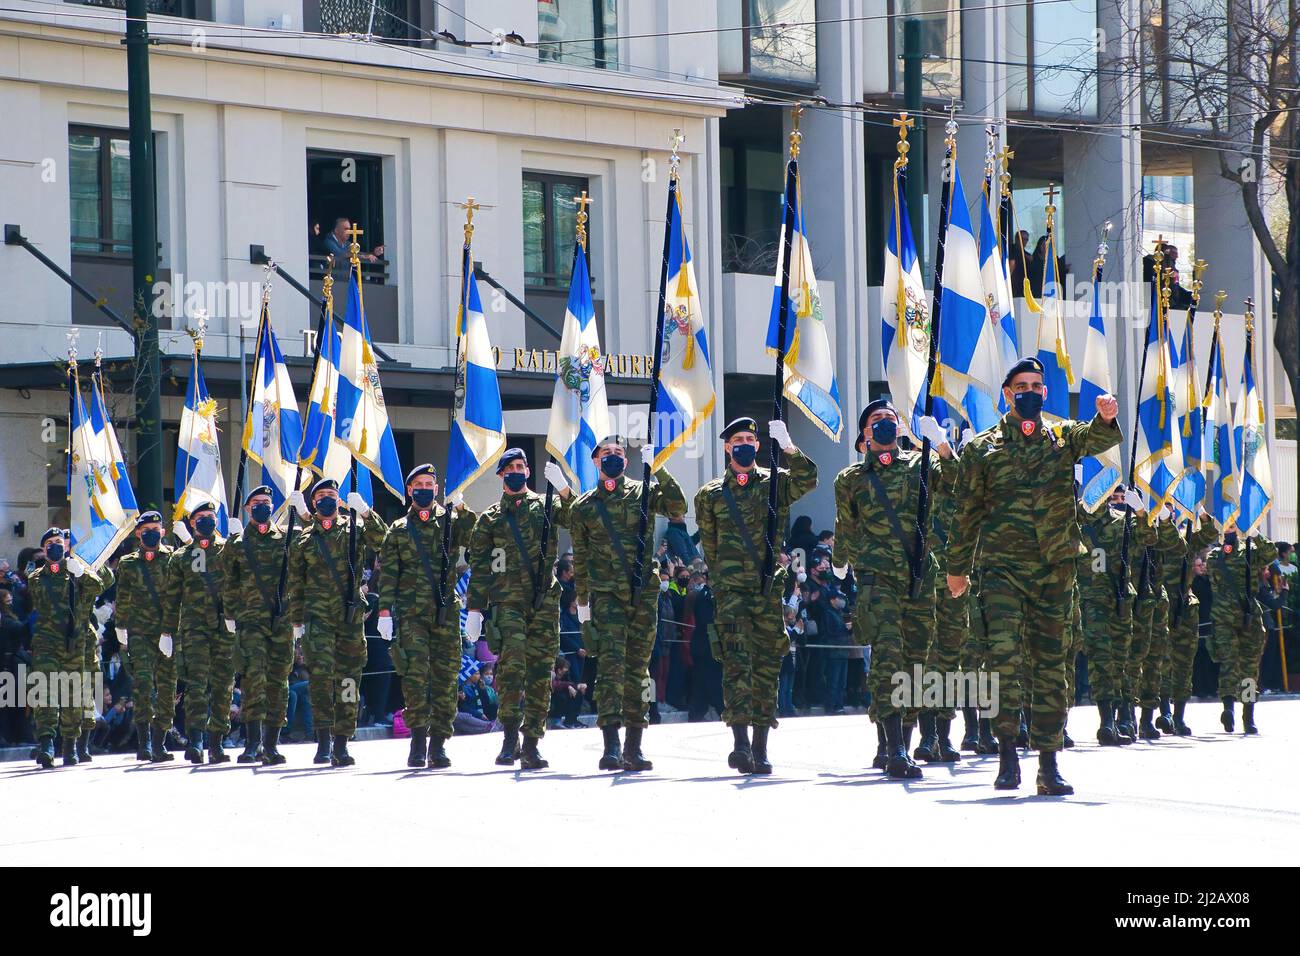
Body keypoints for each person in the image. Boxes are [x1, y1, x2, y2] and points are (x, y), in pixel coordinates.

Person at [947, 356, 1121, 795]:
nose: (1029, 392)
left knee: (1051, 667)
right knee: (1004, 663)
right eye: (1020, 386)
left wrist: (1104, 416)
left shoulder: (1061, 438)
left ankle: (1048, 763)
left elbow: (1094, 437)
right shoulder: (982, 448)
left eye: (1036, 387)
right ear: (1007, 394)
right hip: (1002, 571)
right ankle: (1007, 755)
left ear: (1045, 394)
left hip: (1054, 573)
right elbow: (965, 514)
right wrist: (958, 570)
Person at [835, 400, 954, 779]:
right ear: (865, 434)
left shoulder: (921, 466)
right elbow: (848, 529)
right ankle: (895, 747)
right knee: (887, 656)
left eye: (890, 419)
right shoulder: (851, 479)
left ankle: (898, 739)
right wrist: (861, 569)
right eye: (876, 421)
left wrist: (941, 444)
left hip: (919, 578)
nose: (885, 424)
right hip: (878, 581)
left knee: (916, 664)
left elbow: (959, 481)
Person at [693, 417, 817, 774]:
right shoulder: (711, 494)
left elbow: (809, 480)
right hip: (732, 594)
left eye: (751, 438)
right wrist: (722, 585)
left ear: (759, 446)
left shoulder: (775, 483)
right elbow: (710, 547)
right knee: (736, 667)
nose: (745, 444)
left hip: (766, 592)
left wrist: (790, 447)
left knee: (767, 667)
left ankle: (761, 747)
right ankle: (740, 744)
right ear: (728, 448)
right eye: (738, 440)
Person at [568, 436, 687, 771]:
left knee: (638, 669)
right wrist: (583, 604)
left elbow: (678, 508)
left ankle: (634, 746)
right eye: (606, 453)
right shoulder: (583, 507)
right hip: (606, 596)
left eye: (619, 452)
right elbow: (581, 557)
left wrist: (659, 468)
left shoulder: (644, 491)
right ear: (595, 461)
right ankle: (610, 745)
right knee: (610, 668)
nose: (613, 457)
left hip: (642, 594)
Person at [466, 449, 572, 770]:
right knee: (512, 670)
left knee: (541, 672)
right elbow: (481, 566)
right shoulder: (490, 518)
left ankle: (531, 743)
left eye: (520, 466)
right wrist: (475, 609)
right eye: (509, 467)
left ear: (528, 471)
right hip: (507, 603)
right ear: (500, 475)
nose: (515, 471)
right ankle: (509, 735)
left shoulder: (547, 504)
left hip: (543, 603)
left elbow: (579, 518)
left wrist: (564, 488)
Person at [377, 464, 477, 769]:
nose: (423, 488)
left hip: (446, 611)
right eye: (418, 483)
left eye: (429, 484)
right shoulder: (398, 530)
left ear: (436, 489)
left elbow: (475, 539)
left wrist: (462, 506)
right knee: (416, 679)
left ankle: (439, 744)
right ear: (409, 490)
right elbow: (389, 574)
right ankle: (418, 740)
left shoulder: (450, 521)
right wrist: (384, 612)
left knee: (447, 679)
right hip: (411, 614)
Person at [286, 478, 389, 766]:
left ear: (340, 501)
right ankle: (323, 742)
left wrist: (366, 511)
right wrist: (297, 623)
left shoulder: (354, 530)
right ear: (314, 503)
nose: (327, 500)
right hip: (317, 621)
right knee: (320, 680)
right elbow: (297, 583)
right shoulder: (305, 539)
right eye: (321, 496)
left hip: (350, 619)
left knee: (348, 680)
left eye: (332, 495)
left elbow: (382, 539)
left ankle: (342, 742)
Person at [219, 486, 295, 765]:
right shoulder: (238, 544)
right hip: (251, 621)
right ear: (248, 508)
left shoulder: (287, 539)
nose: (262, 506)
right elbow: (229, 582)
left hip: (281, 620)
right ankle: (253, 743)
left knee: (279, 681)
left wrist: (306, 515)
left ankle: (272, 744)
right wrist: (229, 615)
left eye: (267, 502)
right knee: (254, 679)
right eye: (257, 503)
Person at [29, 528, 112, 768]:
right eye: (50, 544)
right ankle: (46, 744)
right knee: (45, 693)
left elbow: (99, 586)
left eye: (59, 542)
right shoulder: (37, 577)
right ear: (44, 550)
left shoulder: (79, 573)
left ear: (66, 546)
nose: (55, 546)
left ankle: (70, 746)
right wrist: (67, 571)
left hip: (74, 644)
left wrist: (80, 573)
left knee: (73, 696)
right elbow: (42, 596)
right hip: (47, 643)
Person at [1077, 485, 1151, 745]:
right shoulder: (1077, 522)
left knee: (1122, 658)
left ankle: (1124, 714)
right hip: (1090, 602)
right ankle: (1106, 720)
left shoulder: (1122, 522)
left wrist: (1141, 512)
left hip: (1119, 600)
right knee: (1100, 658)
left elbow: (1149, 540)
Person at [160, 502, 234, 764]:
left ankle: (217, 742)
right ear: (192, 524)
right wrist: (167, 632)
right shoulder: (181, 557)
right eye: (200, 518)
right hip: (194, 630)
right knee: (197, 686)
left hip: (225, 628)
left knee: (224, 686)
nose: (206, 521)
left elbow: (242, 584)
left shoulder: (229, 550)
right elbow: (172, 598)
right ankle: (197, 740)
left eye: (210, 517)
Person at [113, 511, 177, 762]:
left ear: (163, 531)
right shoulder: (128, 563)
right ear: (138, 532)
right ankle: (144, 743)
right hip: (139, 633)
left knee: (166, 687)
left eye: (156, 528)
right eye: (146, 528)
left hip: (168, 632)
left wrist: (171, 630)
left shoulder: (173, 558)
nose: (151, 532)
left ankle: (160, 742)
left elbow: (178, 595)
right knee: (142, 686)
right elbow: (123, 596)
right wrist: (121, 627)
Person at [1206, 522, 1277, 734]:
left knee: (1238, 664)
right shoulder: (1228, 555)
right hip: (1245, 614)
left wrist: (1251, 534)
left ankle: (1236, 710)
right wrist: (1254, 535)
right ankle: (1245, 715)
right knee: (1245, 666)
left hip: (1233, 615)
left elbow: (1270, 554)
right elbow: (1269, 553)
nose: (1228, 530)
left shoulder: (1215, 556)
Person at [1157, 511, 1218, 735]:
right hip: (1161, 604)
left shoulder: (1188, 538)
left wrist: (1202, 514)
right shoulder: (1153, 536)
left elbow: (1211, 533)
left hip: (1185, 604)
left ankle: (1179, 716)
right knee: (1161, 660)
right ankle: (1164, 711)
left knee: (1183, 662)